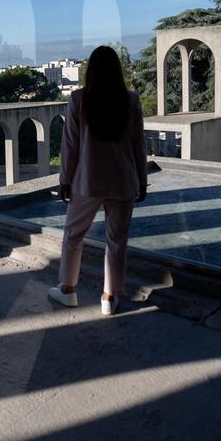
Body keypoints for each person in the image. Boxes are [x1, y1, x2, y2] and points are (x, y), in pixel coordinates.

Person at [48, 45, 147, 316]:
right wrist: (142, 180)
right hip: (124, 181)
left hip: (87, 182)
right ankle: (108, 297)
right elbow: (139, 146)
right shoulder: (131, 100)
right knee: (116, 241)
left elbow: (69, 146)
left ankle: (67, 290)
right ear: (118, 70)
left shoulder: (79, 99)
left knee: (73, 235)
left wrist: (65, 179)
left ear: (89, 70)